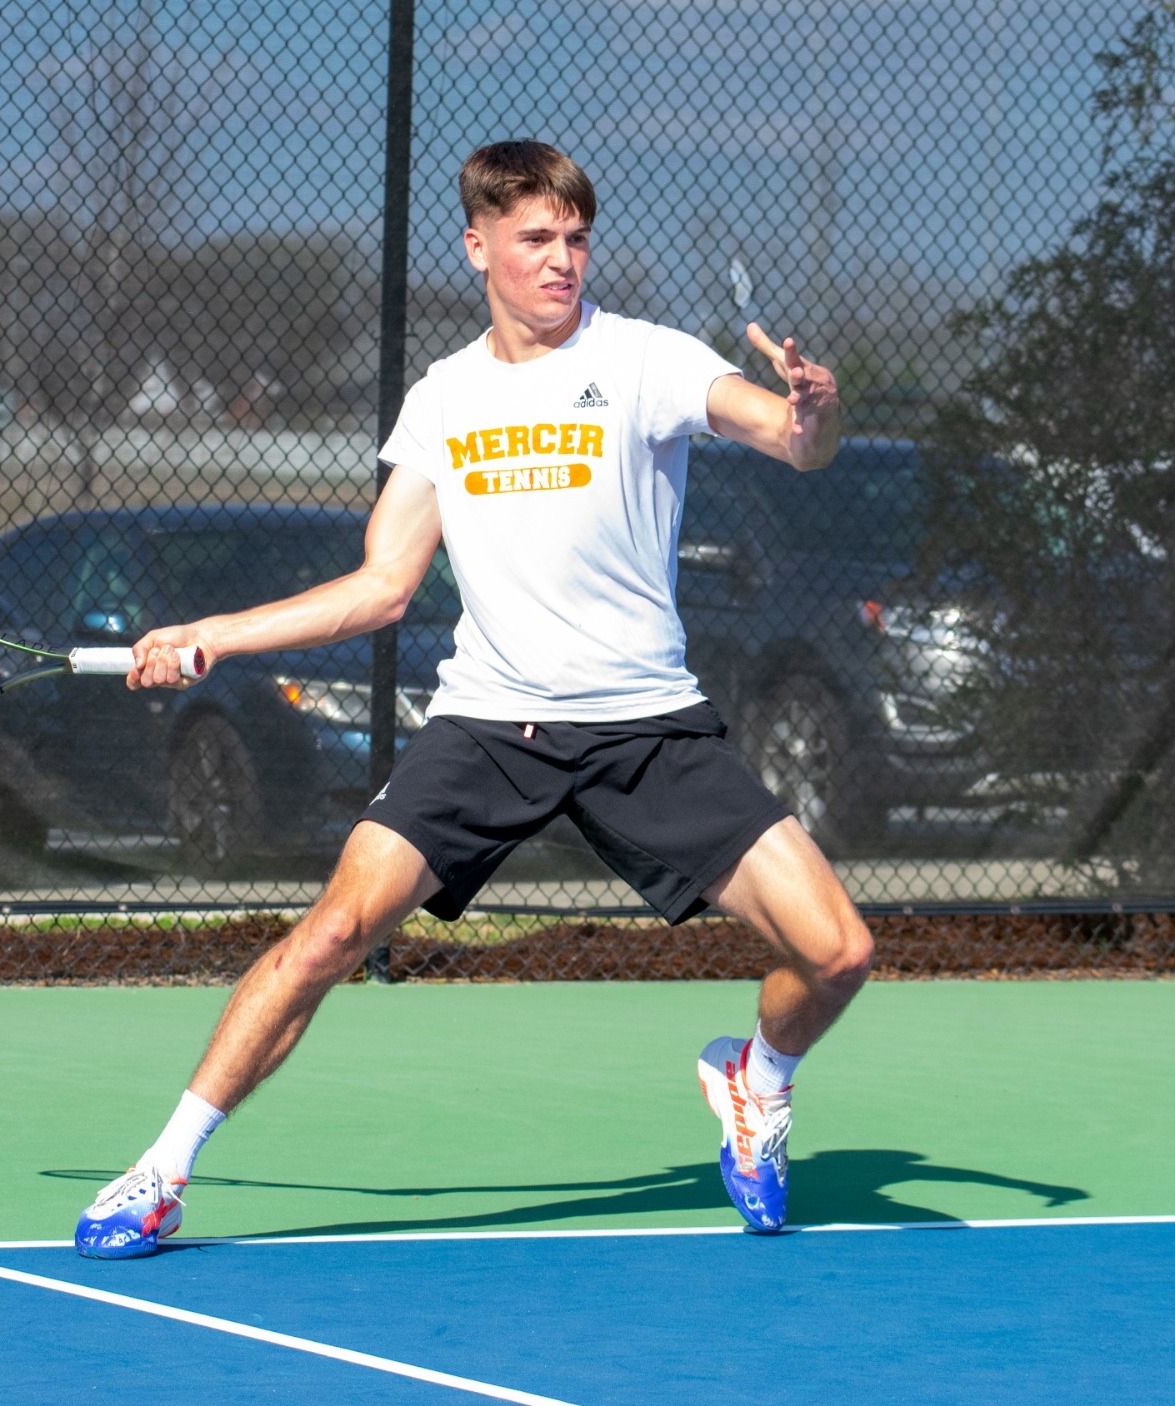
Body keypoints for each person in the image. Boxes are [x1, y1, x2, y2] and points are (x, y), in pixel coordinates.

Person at [75, 140, 871, 1258]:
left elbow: (791, 441)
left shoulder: (643, 359)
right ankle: (161, 1171)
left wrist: (813, 410)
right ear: (478, 245)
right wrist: (215, 634)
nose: (562, 261)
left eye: (577, 238)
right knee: (330, 933)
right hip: (491, 727)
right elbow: (379, 585)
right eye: (537, 238)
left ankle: (756, 1078)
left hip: (645, 726)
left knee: (838, 951)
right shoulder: (446, 397)